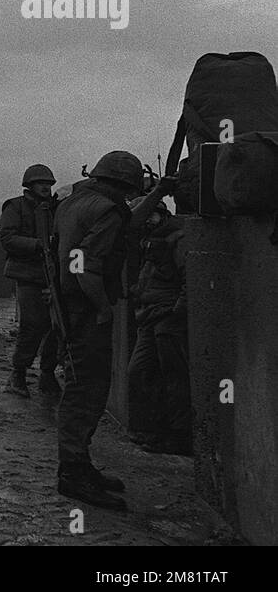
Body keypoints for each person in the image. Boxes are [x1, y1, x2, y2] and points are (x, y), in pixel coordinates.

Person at [53, 152, 172, 509]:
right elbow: (84, 267)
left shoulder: (76, 202)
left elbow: (124, 223)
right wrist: (104, 309)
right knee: (85, 392)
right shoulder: (107, 209)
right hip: (86, 309)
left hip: (67, 307)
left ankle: (78, 464)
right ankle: (72, 474)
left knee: (82, 387)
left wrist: (158, 193)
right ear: (121, 185)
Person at [127, 195, 191, 456]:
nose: (146, 221)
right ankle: (154, 430)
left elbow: (190, 278)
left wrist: (177, 312)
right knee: (138, 371)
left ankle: (178, 436)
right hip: (149, 315)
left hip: (167, 317)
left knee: (174, 377)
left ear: (162, 214)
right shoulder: (148, 241)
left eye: (150, 215)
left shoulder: (178, 239)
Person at [0, 164, 61, 397]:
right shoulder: (15, 207)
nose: (46, 187)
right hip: (27, 274)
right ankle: (18, 373)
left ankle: (47, 373)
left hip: (52, 275)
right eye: (41, 183)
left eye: (49, 183)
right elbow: (7, 237)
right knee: (32, 325)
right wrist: (37, 245)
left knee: (56, 326)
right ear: (30, 184)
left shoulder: (55, 209)